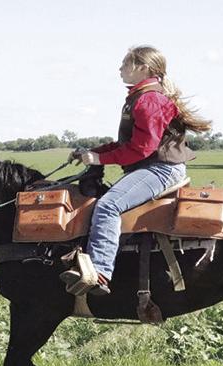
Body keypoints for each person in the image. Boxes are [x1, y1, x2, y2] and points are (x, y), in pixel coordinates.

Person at [62, 45, 212, 296]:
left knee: (108, 206)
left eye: (125, 63)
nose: (120, 68)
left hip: (161, 169)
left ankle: (100, 272)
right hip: (150, 166)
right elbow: (126, 144)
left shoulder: (149, 100)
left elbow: (142, 148)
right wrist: (91, 152)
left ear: (143, 68)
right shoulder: (139, 97)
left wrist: (99, 159)